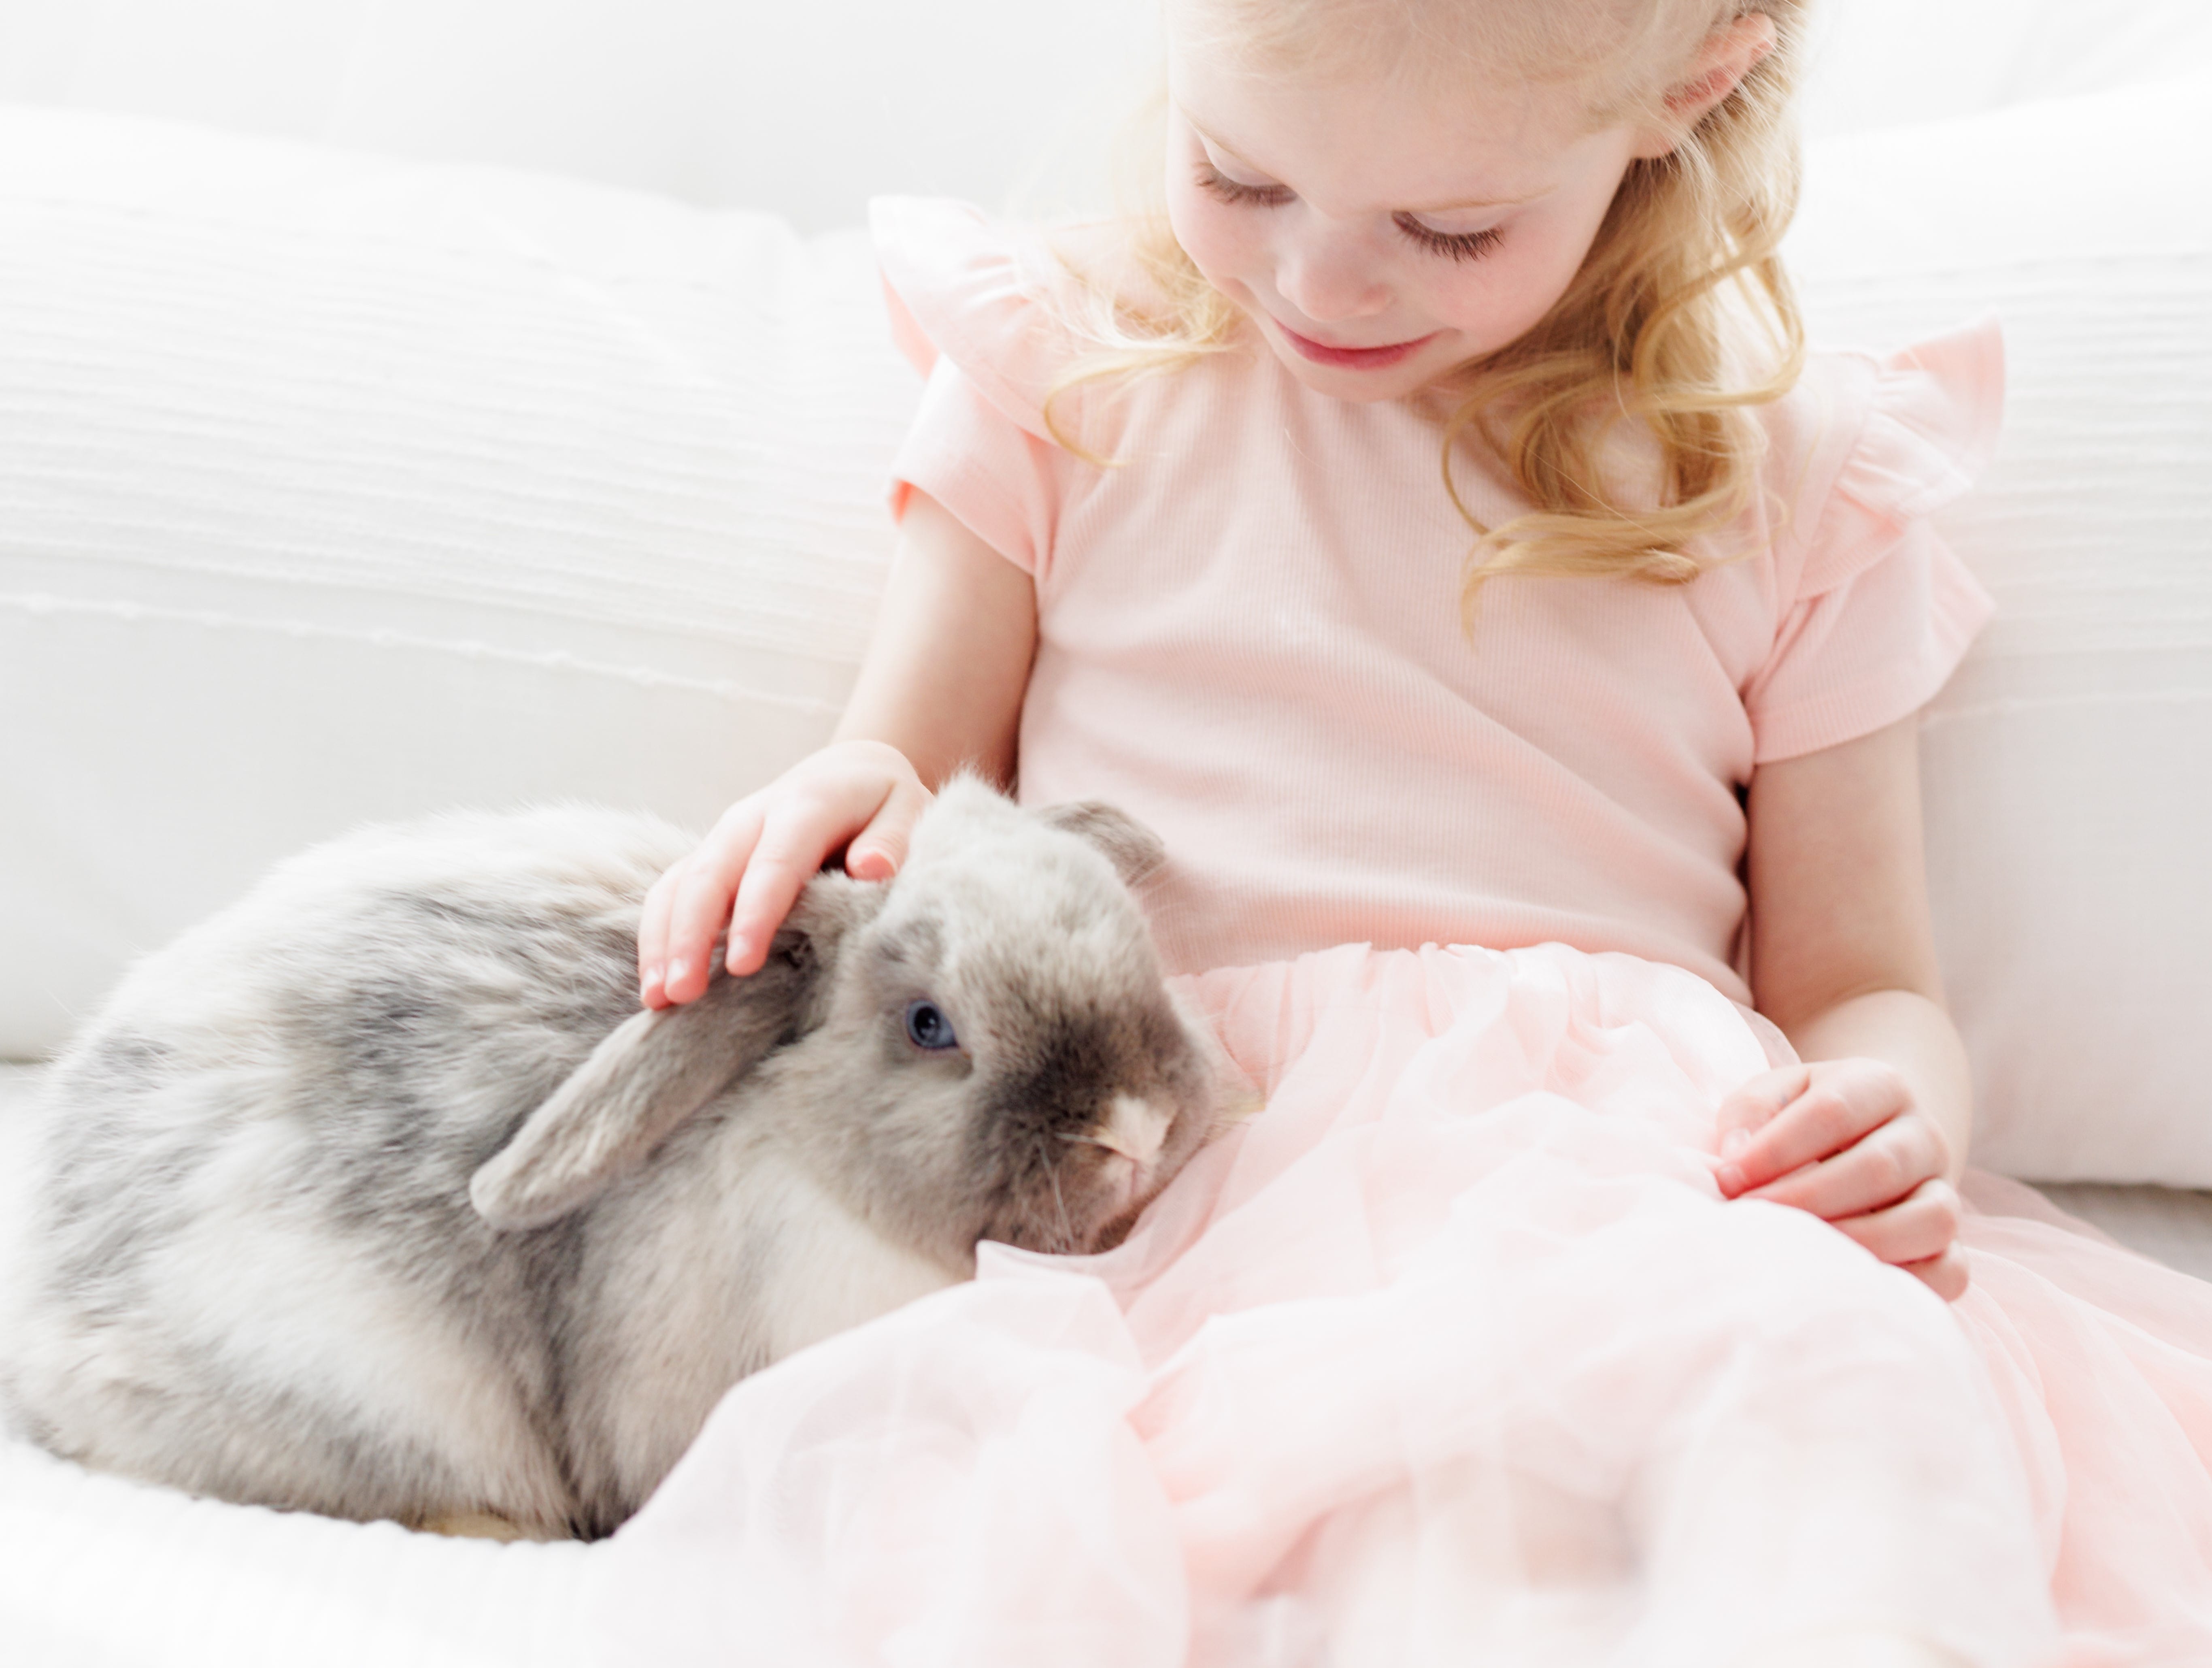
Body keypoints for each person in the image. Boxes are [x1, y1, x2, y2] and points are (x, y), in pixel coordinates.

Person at [614, 0, 2212, 1657]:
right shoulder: (1067, 364)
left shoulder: (1782, 475)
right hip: (1180, 1160)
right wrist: (851, 801)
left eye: (1449, 229)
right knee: (1278, 1529)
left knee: (1827, 1432)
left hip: (1642, 1180)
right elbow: (915, 781)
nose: (1321, 283)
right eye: (1238, 176)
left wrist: (1891, 1118)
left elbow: (1861, 979)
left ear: (1692, 84)